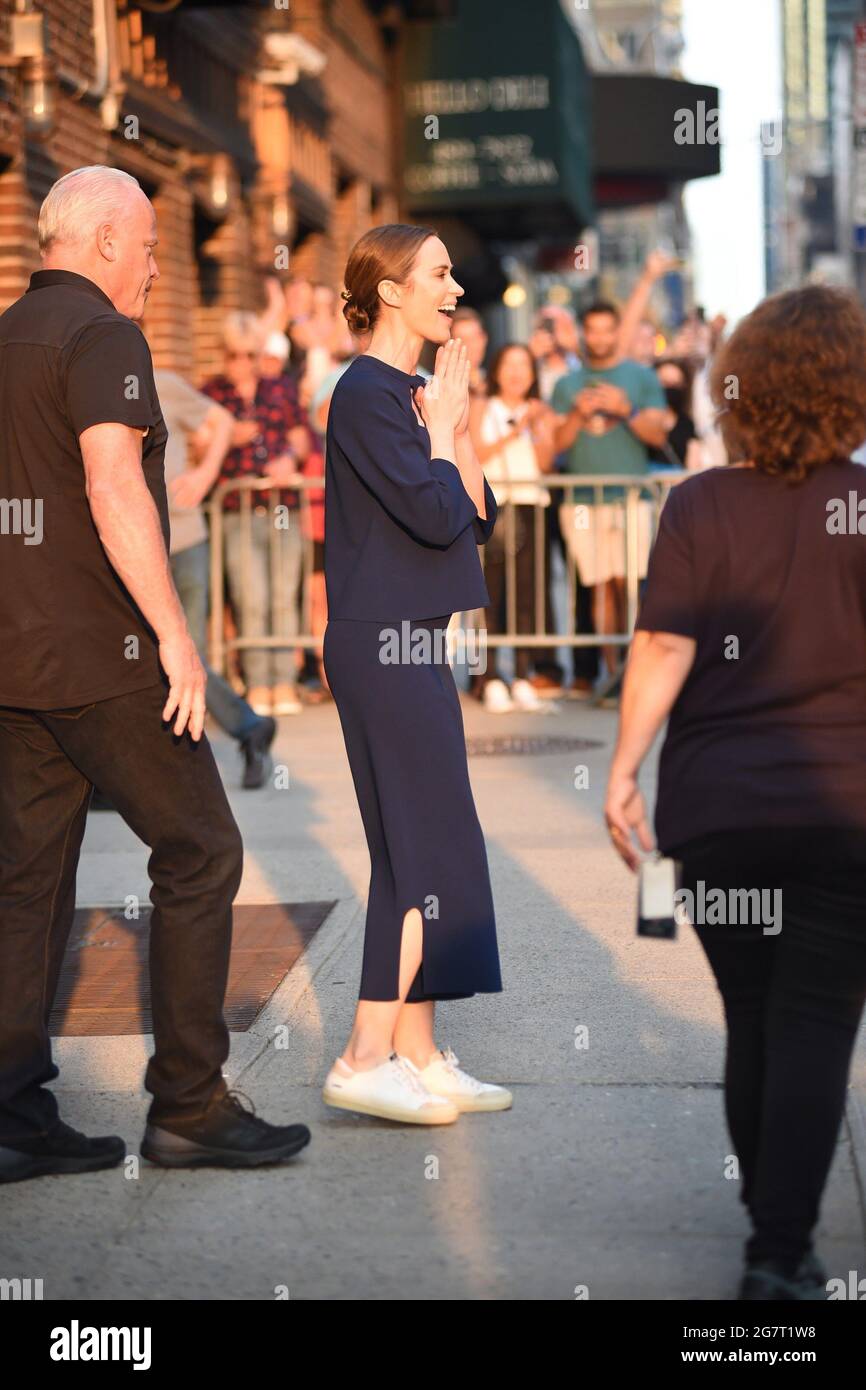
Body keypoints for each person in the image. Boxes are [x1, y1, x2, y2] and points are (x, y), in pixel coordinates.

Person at [0, 165, 309, 1180]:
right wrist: (176, 635)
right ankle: (187, 1103)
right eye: (139, 251)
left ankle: (10, 1113)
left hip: (13, 662)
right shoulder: (102, 336)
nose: (145, 273)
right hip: (105, 655)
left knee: (28, 885)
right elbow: (111, 481)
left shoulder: (7, 339)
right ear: (98, 241)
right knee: (202, 848)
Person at [604, 283, 866, 1301]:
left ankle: (774, 1224)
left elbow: (664, 643)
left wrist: (621, 770)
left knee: (752, 1016)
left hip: (713, 810)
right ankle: (774, 1251)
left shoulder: (697, 503)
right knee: (809, 1023)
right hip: (844, 808)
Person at [320, 224, 511, 1124]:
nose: (455, 288)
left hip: (413, 640)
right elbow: (437, 518)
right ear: (389, 291)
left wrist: (457, 429)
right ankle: (363, 1055)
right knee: (423, 845)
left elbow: (474, 513)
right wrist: (442, 432)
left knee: (421, 848)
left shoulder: (418, 393)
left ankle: (418, 1051)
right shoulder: (364, 392)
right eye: (438, 273)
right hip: (379, 640)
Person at [155, 367, 278, 786]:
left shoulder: (162, 383)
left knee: (189, 653)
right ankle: (248, 727)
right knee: (139, 656)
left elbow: (221, 422)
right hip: (134, 548)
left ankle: (245, 728)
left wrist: (205, 475)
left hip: (183, 538)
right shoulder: (87, 383)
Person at [552, 300, 673, 677]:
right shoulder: (566, 383)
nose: (600, 338)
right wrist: (577, 414)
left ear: (617, 331)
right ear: (583, 333)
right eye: (593, 329)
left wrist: (626, 410)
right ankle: (613, 674)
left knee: (634, 588)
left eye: (608, 329)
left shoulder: (641, 378)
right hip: (583, 503)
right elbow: (554, 446)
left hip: (632, 499)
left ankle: (635, 671)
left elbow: (658, 434)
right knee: (601, 588)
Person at [202, 312, 311, 716]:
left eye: (249, 355)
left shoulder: (280, 389)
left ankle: (284, 682)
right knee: (250, 599)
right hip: (237, 509)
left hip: (283, 505)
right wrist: (226, 436)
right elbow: (198, 447)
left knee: (284, 598)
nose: (242, 363)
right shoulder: (210, 394)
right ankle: (258, 683)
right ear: (224, 355)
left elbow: (300, 440)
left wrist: (287, 459)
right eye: (234, 355)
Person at [468, 343, 558, 712]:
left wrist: (537, 428)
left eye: (524, 365)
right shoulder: (481, 407)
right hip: (493, 506)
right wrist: (514, 430)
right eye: (510, 364)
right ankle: (487, 676)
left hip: (530, 505)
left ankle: (522, 672)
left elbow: (547, 462)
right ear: (497, 369)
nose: (517, 373)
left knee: (527, 594)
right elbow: (476, 452)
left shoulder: (540, 412)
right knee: (489, 595)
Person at [647, 357, 699, 470]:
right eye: (665, 383)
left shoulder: (686, 425)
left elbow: (693, 466)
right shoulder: (640, 419)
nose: (670, 389)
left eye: (676, 384)